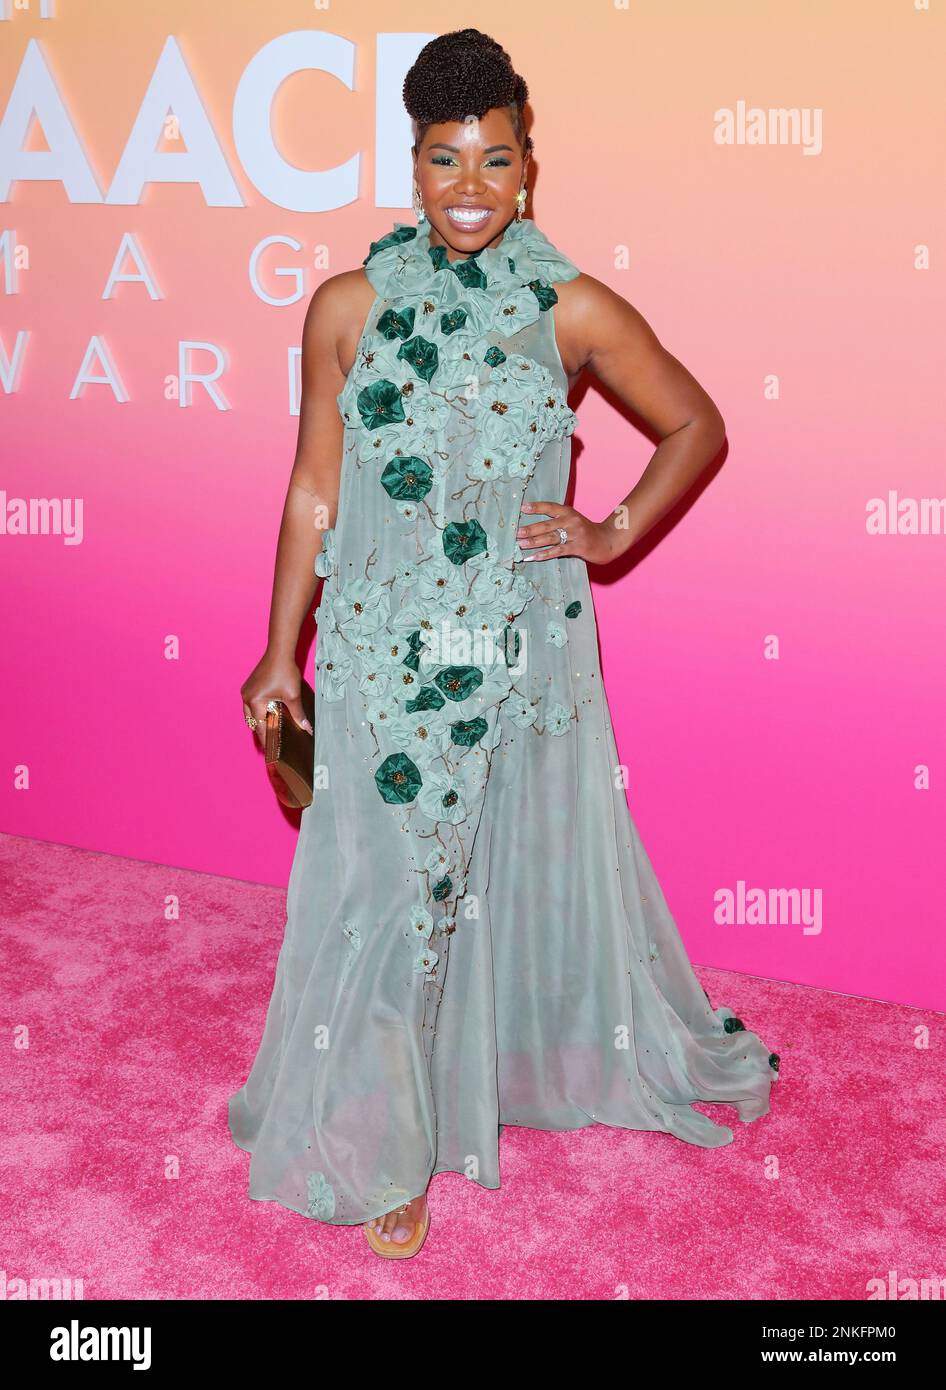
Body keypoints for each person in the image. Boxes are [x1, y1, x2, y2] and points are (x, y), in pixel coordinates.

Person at [230, 27, 778, 1260]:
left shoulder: (571, 305)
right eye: (443, 161)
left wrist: (609, 531)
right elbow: (313, 487)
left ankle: (462, 1087)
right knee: (380, 884)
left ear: (531, 166)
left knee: (465, 884)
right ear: (411, 167)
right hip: (375, 642)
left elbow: (696, 421)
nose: (469, 188)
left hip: (512, 643)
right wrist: (280, 649)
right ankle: (387, 1143)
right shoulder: (345, 306)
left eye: (494, 160)